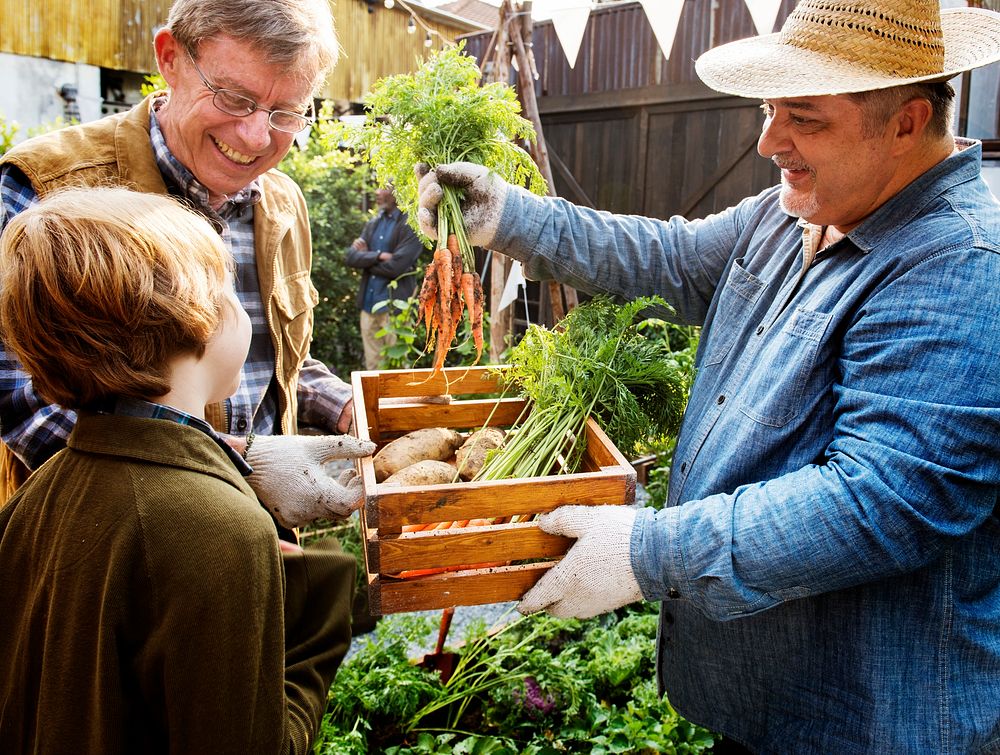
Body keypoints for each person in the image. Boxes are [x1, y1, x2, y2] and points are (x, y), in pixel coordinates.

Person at [415, 1, 1000, 750]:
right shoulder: (796, 214)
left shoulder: (959, 265)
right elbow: (668, 257)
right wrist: (510, 217)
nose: (769, 141)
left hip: (866, 715)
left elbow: (877, 502)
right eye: (769, 110)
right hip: (764, 696)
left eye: (804, 118)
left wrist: (647, 551)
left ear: (907, 123)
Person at [0, 187, 373, 753]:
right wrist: (320, 617)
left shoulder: (34, 499)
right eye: (228, 291)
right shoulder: (222, 532)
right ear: (197, 318)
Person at [0, 0, 364, 530]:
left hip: (253, 531)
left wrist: (348, 410)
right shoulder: (46, 188)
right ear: (169, 57)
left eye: (286, 112)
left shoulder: (282, 202)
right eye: (234, 98)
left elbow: (275, 362)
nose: (255, 137)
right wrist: (231, 471)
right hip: (111, 544)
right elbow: (19, 402)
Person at [345, 186, 426, 369]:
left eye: (383, 187)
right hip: (369, 305)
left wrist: (366, 259)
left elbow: (396, 268)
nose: (377, 192)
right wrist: (379, 256)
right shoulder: (374, 222)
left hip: (395, 309)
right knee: (372, 368)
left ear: (397, 192)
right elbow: (351, 257)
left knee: (397, 368)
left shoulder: (411, 225)